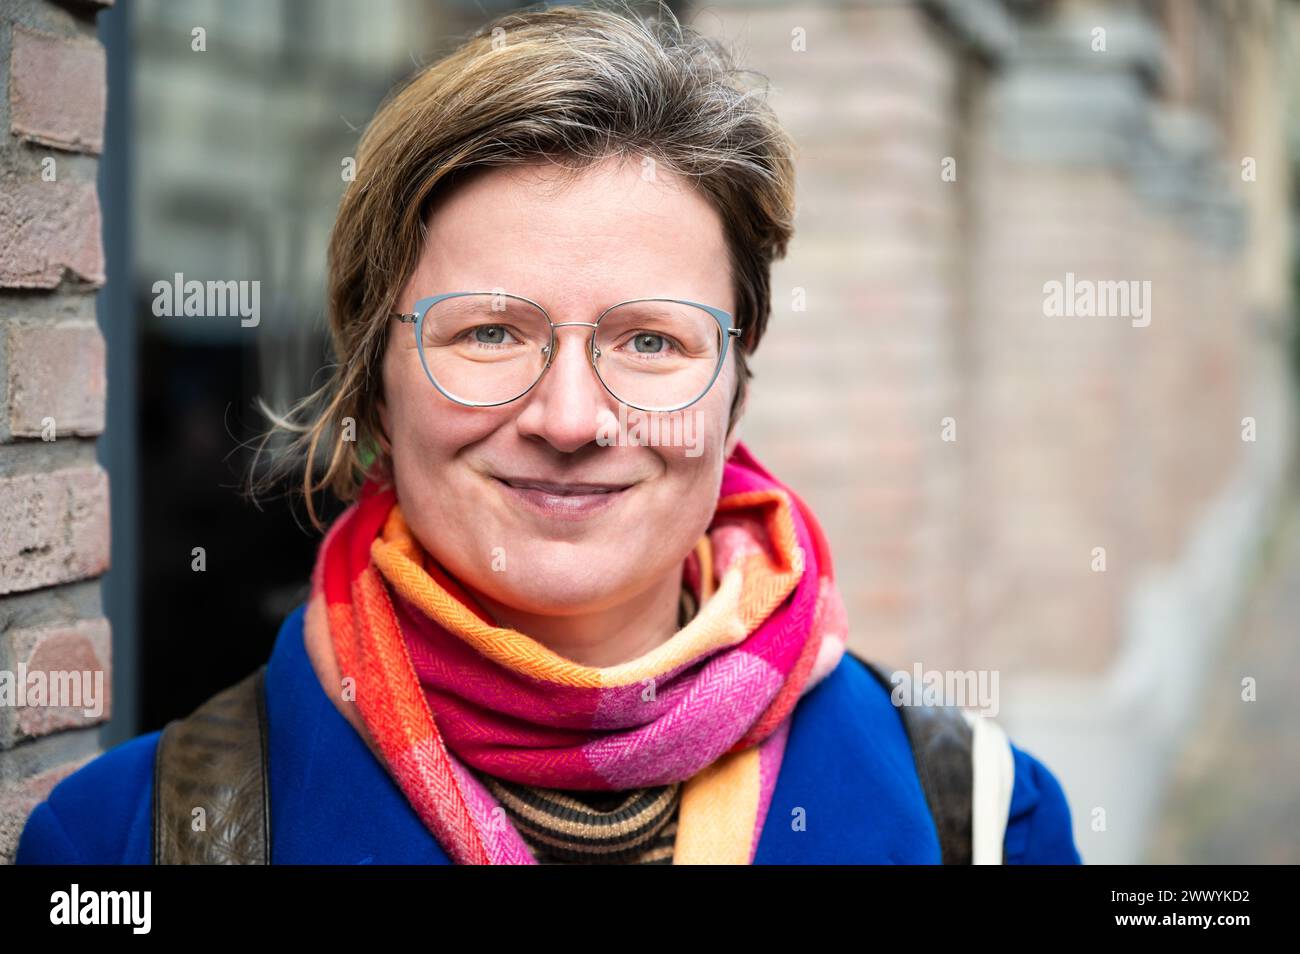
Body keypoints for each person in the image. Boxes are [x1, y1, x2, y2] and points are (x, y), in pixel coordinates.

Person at [16, 0, 1081, 865]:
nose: (570, 420)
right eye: (488, 331)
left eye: (651, 342)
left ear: (735, 385)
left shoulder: (979, 818)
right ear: (374, 382)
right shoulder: (130, 845)